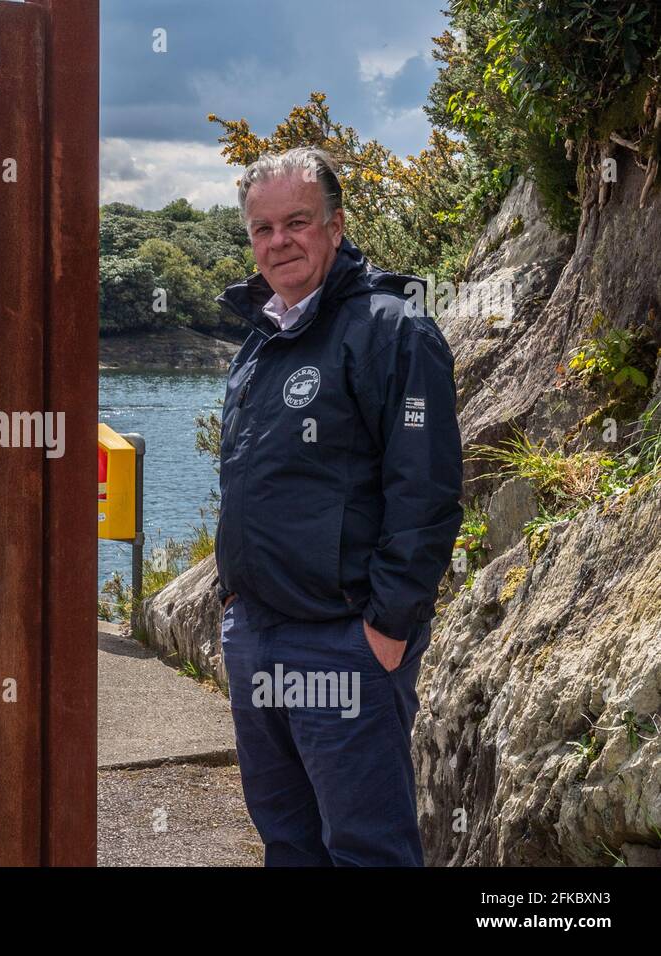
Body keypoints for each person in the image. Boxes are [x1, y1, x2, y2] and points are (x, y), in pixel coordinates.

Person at [213, 147, 463, 866]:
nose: (278, 241)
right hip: (257, 635)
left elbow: (427, 488)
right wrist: (233, 604)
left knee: (366, 849)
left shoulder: (394, 329)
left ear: (336, 225)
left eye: (297, 221)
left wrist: (386, 627)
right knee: (288, 843)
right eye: (263, 229)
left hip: (344, 643)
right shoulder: (260, 339)